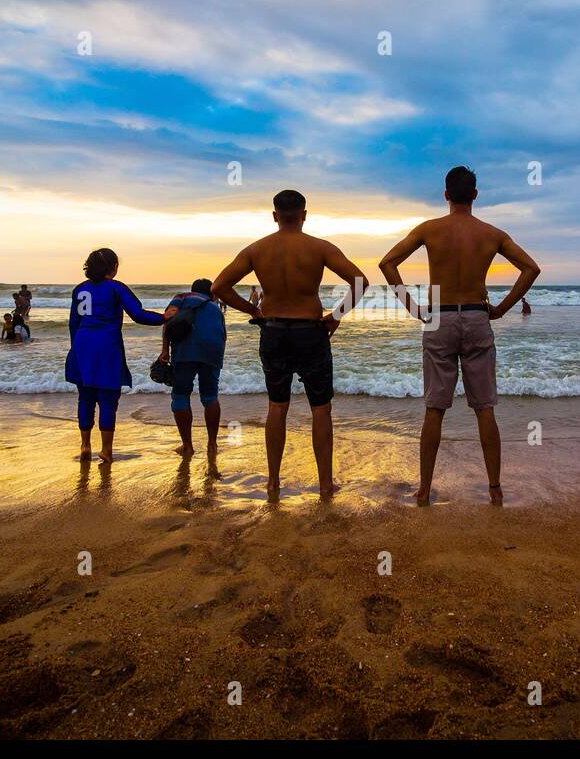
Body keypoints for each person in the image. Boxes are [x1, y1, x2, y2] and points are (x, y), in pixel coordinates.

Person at [379, 166, 540, 506]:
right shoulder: (492, 233)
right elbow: (531, 269)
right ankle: (494, 489)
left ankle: (424, 489)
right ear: (476, 195)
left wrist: (411, 305)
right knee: (484, 408)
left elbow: (388, 262)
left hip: (440, 317)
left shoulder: (430, 229)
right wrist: (502, 308)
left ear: (446, 195)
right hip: (477, 317)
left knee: (434, 408)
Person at [213, 190, 368, 500]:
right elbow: (360, 281)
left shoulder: (256, 250)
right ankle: (325, 484)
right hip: (310, 333)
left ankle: (273, 482)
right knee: (321, 409)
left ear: (274, 215)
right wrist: (336, 316)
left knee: (277, 406)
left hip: (273, 332)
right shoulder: (319, 247)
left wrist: (253, 310)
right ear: (304, 214)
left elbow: (218, 287)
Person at [65, 248, 168, 462]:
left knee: (85, 398)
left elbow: (73, 323)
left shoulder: (79, 289)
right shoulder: (116, 288)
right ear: (113, 267)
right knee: (108, 398)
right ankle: (106, 450)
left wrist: (76, 349)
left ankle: (85, 445)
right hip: (107, 346)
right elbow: (138, 315)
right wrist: (164, 317)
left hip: (82, 345)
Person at [160, 277, 227, 456]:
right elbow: (223, 334)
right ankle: (212, 444)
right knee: (210, 396)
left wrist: (165, 350)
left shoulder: (181, 298)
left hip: (185, 352)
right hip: (212, 351)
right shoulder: (215, 307)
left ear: (193, 289)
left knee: (180, 396)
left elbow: (168, 320)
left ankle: (187, 446)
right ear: (211, 292)